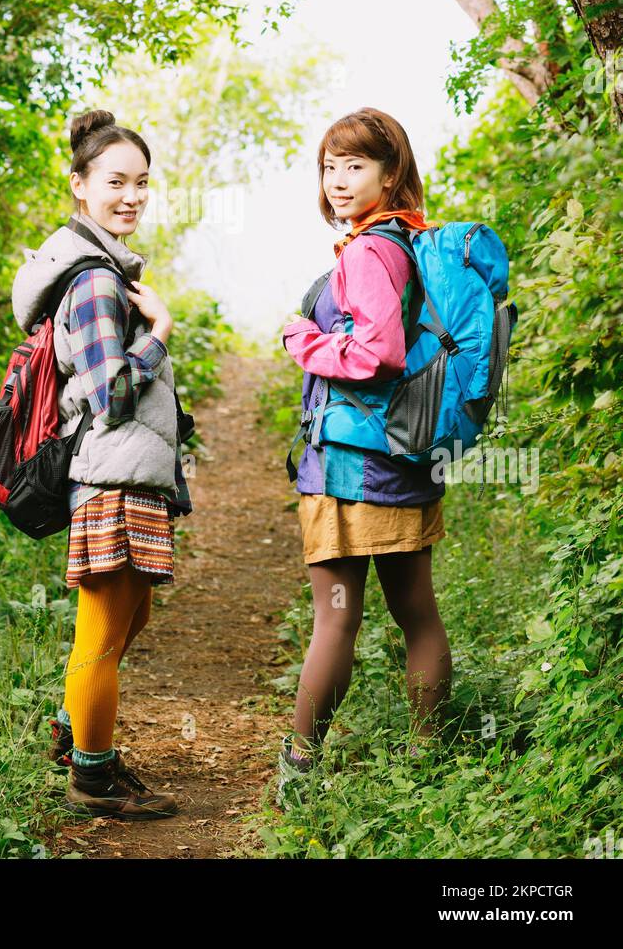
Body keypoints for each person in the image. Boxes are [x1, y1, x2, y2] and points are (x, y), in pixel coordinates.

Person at [11, 108, 191, 819]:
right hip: (111, 477)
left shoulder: (107, 271)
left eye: (142, 183)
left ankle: (77, 735)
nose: (132, 196)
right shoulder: (92, 282)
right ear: (79, 185)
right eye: (116, 181)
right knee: (102, 634)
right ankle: (90, 778)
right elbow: (110, 394)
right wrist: (161, 335)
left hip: (129, 477)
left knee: (126, 622)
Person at [278, 106, 452, 805]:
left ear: (391, 172)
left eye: (356, 165)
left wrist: (302, 342)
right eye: (330, 166)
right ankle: (429, 765)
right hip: (404, 459)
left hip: (353, 470)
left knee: (336, 618)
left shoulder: (369, 251)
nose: (340, 179)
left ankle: (298, 770)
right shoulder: (409, 243)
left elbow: (375, 352)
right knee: (418, 617)